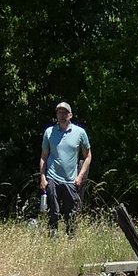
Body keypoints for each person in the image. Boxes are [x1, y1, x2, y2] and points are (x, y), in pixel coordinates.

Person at [39, 100, 91, 237]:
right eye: (59, 112)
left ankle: (71, 240)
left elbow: (88, 156)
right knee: (53, 211)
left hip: (70, 179)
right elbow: (44, 156)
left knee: (71, 212)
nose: (62, 115)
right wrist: (43, 178)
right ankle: (53, 238)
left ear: (70, 115)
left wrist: (80, 176)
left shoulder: (80, 133)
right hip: (52, 177)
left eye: (65, 112)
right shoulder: (49, 132)